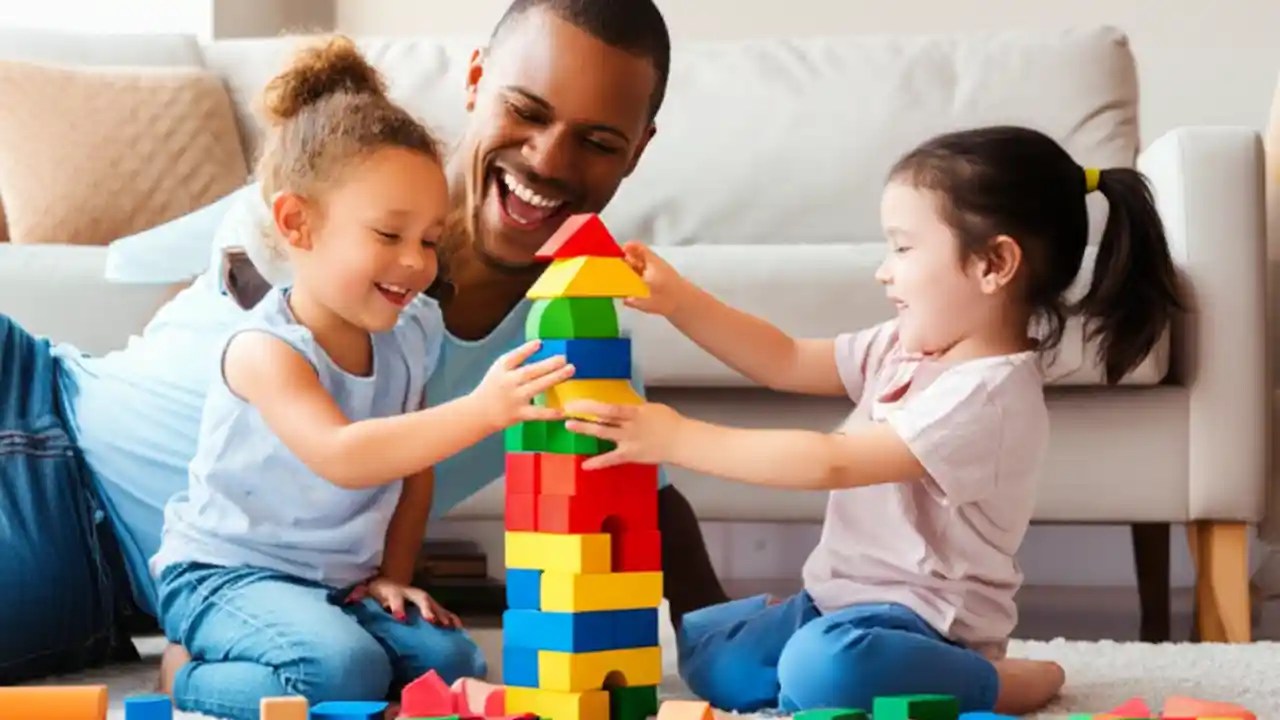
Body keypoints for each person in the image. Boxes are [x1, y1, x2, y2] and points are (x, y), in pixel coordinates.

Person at [0, 0, 730, 684]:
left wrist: (722, 643)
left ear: (637, 150)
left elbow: (648, 502)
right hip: (41, 399)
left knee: (397, 667)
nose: (547, 160)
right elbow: (139, 262)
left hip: (98, 561)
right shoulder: (340, 180)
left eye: (599, 141)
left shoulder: (571, 348)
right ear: (476, 81)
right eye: (524, 110)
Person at [557, 126, 1185, 715]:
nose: (884, 269)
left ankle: (998, 681)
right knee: (714, 665)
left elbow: (832, 462)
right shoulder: (905, 346)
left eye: (904, 248)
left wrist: (678, 438)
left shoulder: (989, 396)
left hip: (925, 623)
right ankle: (805, 650)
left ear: (994, 264)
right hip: (832, 603)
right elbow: (784, 359)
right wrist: (679, 301)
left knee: (821, 671)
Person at [148, 36, 584, 719]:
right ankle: (183, 675)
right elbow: (344, 455)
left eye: (430, 240)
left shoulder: (412, 335)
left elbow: (413, 474)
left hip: (338, 586)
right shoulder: (265, 350)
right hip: (227, 577)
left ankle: (340, 647)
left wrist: (392, 579)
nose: (416, 264)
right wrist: (484, 409)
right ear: (298, 224)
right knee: (339, 672)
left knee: (451, 662)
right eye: (389, 236)